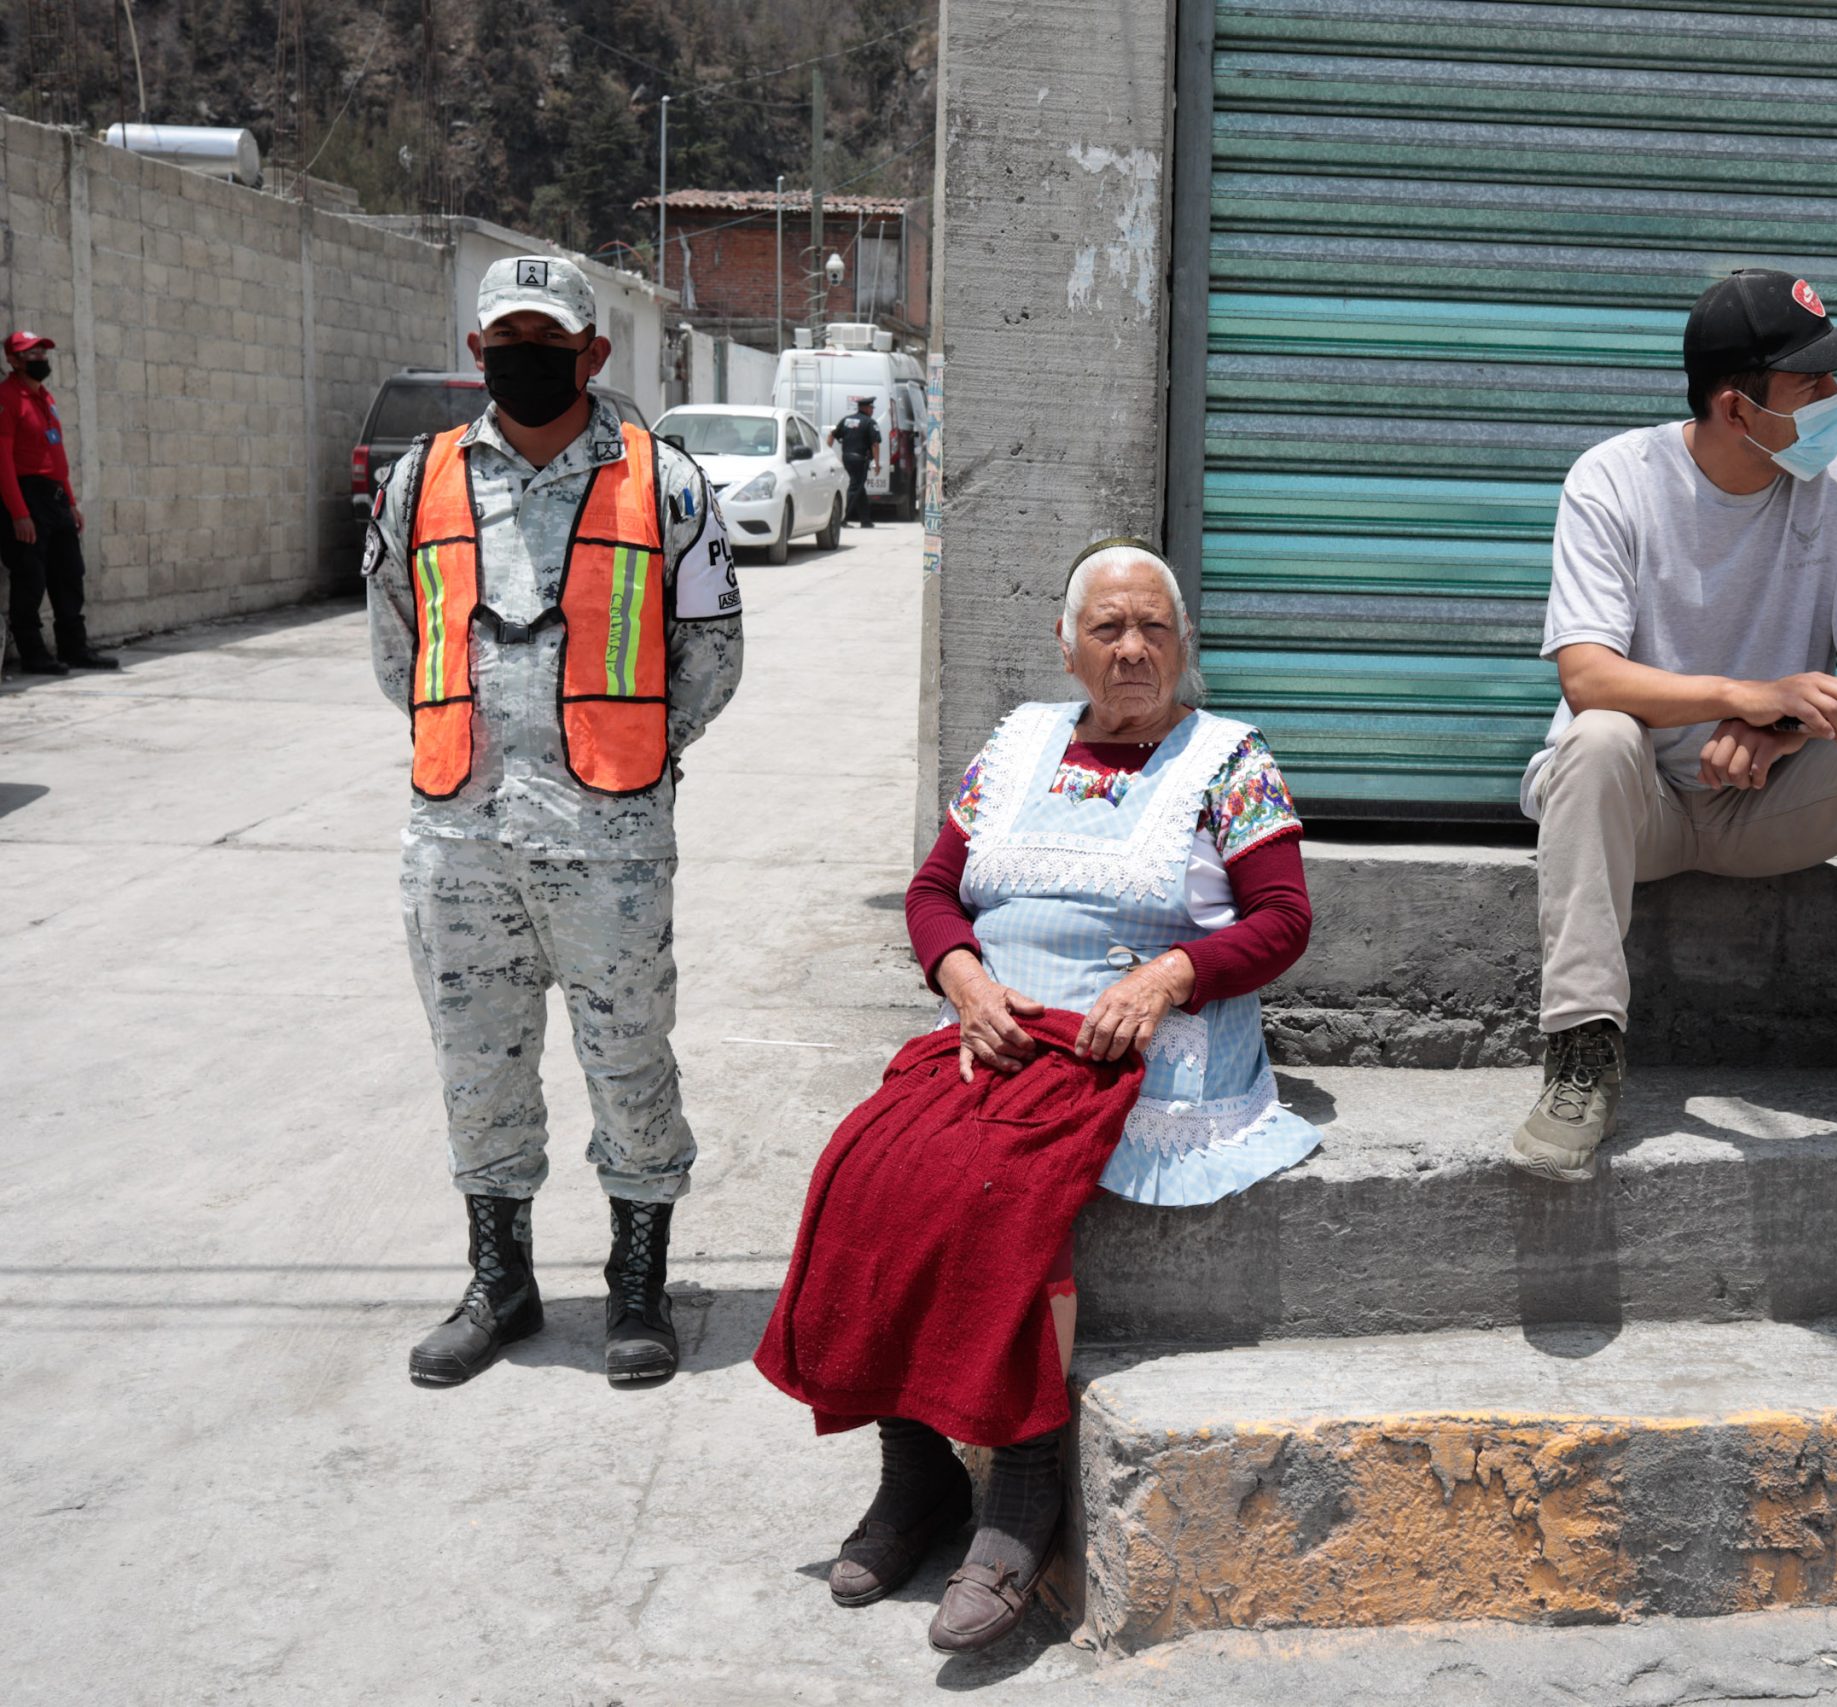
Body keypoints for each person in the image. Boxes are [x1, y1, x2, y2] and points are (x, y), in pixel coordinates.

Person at [755, 540, 1318, 1655]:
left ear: (1182, 645)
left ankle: (1019, 1489)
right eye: (1107, 628)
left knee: (1000, 1189)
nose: (1131, 648)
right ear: (1068, 646)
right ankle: (915, 1474)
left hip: (1137, 1042)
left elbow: (1282, 919)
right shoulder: (1016, 747)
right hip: (999, 1029)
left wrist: (1168, 975)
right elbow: (930, 892)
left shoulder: (1229, 760)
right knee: (867, 1162)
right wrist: (962, 982)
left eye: (1154, 628)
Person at [1512, 268, 1837, 1192]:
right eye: (1813, 383)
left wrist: (1788, 725)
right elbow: (1588, 677)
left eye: (1836, 377)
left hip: (1774, 803)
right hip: (1644, 813)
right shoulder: (1614, 479)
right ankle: (1582, 1055)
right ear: (1736, 407)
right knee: (1596, 740)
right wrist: (1743, 693)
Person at [363, 256, 745, 1388]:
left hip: (610, 840)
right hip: (455, 835)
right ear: (478, 352)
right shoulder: (414, 482)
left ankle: (638, 1285)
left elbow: (711, 657)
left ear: (594, 354)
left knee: (627, 1056)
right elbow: (397, 644)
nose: (524, 354)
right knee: (477, 1064)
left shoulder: (665, 485)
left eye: (549, 336)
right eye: (504, 337)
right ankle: (502, 1282)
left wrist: (632, 757)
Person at [1, 330, 116, 674]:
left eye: (41, 352)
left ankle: (74, 647)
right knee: (30, 578)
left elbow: (56, 453)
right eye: (30, 354)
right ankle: (33, 654)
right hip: (26, 495)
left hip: (55, 497)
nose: (39, 359)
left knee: (69, 573)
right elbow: (3, 461)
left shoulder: (46, 398)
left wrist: (70, 500)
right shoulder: (7, 398)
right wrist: (19, 513)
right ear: (13, 360)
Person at [828, 396, 881, 528]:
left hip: (847, 458)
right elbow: (875, 444)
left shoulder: (846, 420)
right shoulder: (870, 422)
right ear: (865, 408)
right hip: (860, 460)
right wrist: (877, 463)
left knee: (859, 487)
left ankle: (865, 520)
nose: (872, 410)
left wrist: (827, 454)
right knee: (855, 488)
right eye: (871, 408)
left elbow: (831, 435)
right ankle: (841, 518)